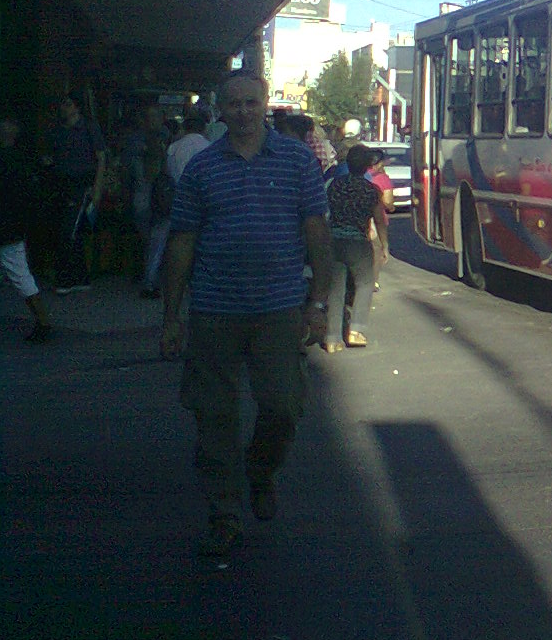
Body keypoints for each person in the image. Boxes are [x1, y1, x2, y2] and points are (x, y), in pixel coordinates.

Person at [160, 71, 333, 558]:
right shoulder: (201, 168)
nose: (242, 111)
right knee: (213, 416)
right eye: (232, 104)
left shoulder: (298, 161)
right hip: (215, 311)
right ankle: (224, 513)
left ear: (265, 104)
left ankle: (259, 471)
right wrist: (172, 317)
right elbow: (182, 244)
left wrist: (318, 303)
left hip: (279, 311)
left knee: (283, 407)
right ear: (220, 110)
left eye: (250, 102)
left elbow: (318, 235)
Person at [324, 144, 387, 353]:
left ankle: (332, 338)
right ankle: (356, 330)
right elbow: (379, 220)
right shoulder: (371, 191)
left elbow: (323, 212)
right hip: (359, 242)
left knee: (335, 290)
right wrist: (384, 246)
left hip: (333, 241)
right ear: (368, 166)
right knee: (365, 284)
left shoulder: (334, 185)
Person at [41, 94, 104, 294]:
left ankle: (64, 279)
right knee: (68, 230)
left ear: (77, 107)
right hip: (61, 184)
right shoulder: (58, 131)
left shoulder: (88, 127)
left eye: (68, 104)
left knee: (69, 230)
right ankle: (80, 277)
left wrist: (97, 188)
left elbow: (101, 157)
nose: (64, 108)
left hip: (81, 184)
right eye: (62, 104)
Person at [0, 117, 51, 341]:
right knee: (21, 275)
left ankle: (44, 322)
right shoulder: (22, 161)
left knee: (20, 275)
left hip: (6, 227)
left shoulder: (6, 161)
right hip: (12, 228)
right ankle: (43, 321)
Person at [121, 102, 171, 299]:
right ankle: (150, 278)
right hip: (157, 197)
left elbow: (127, 171)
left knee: (151, 239)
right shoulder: (165, 138)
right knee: (154, 240)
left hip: (146, 197)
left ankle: (149, 278)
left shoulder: (136, 141)